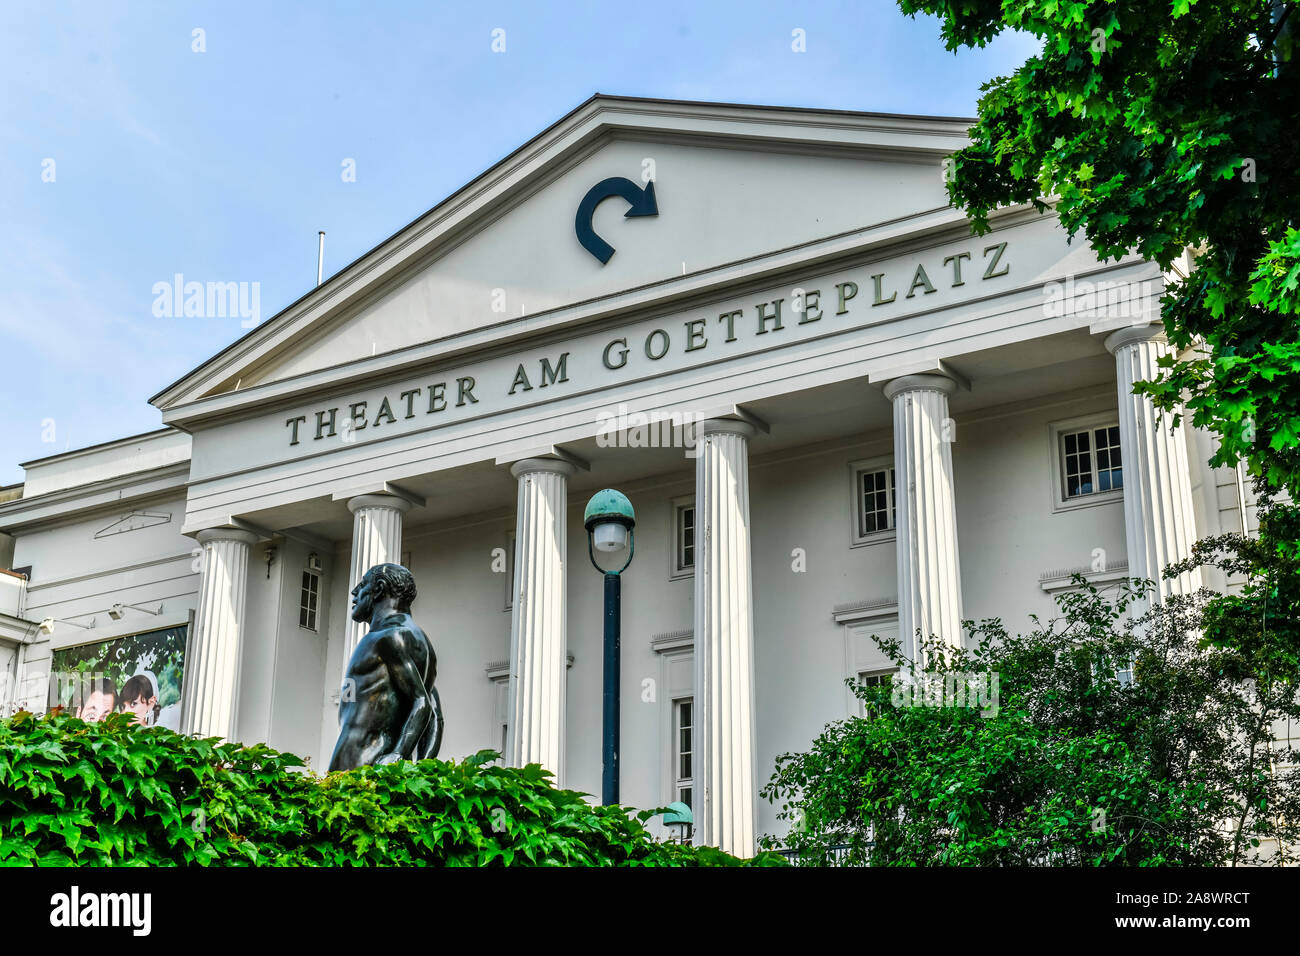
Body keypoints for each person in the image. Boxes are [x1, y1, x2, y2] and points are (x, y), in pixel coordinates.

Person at [329, 563, 442, 771]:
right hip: (373, 759)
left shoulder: (390, 637)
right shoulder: (418, 641)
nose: (354, 592)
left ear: (379, 588)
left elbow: (421, 702)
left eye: (363, 584)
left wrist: (399, 753)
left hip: (361, 759)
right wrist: (423, 767)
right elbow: (434, 715)